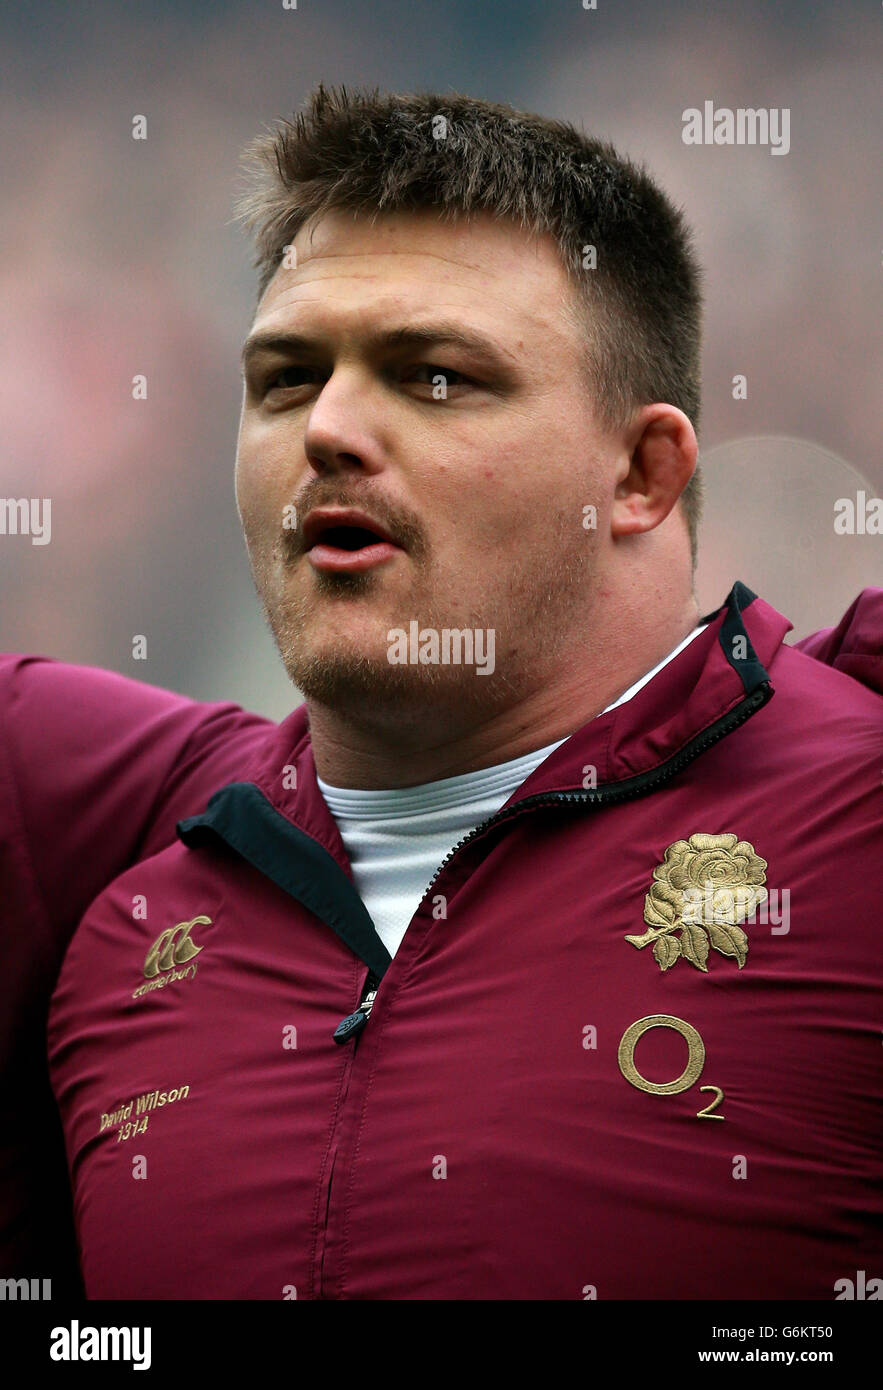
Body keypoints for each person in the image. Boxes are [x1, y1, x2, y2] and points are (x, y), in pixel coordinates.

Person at [3, 85, 881, 1299]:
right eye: (285, 379)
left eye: (434, 377)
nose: (329, 428)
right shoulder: (127, 930)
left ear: (640, 471)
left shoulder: (855, 819)